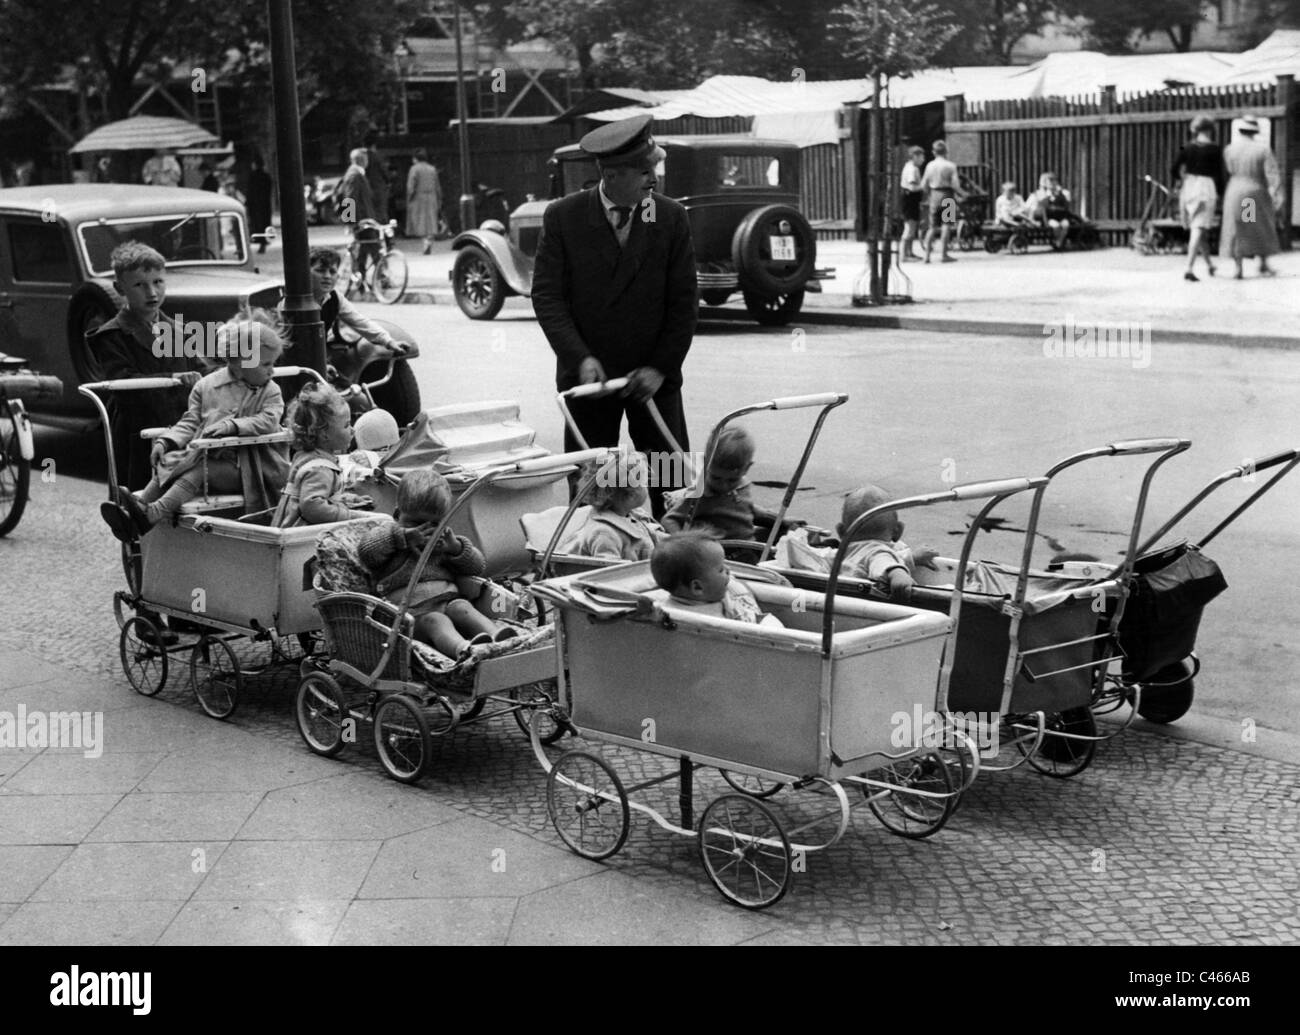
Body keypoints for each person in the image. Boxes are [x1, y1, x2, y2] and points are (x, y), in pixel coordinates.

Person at [532, 113, 698, 519]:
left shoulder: (668, 216)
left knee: (671, 482)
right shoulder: (563, 217)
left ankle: (676, 556)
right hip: (590, 386)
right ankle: (589, 562)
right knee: (592, 490)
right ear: (611, 173)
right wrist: (580, 358)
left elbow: (684, 302)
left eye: (654, 169)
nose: (653, 180)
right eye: (644, 171)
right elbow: (547, 297)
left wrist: (660, 367)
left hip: (653, 382)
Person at [101, 313, 290, 540]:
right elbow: (190, 422)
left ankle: (152, 514)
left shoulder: (270, 391)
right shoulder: (207, 386)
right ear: (240, 362)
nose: (271, 371)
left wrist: (233, 426)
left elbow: (269, 420)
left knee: (200, 469)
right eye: (266, 364)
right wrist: (167, 440)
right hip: (207, 456)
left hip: (251, 467)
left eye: (273, 364)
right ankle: (134, 513)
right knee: (171, 462)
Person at [357, 470, 517, 660]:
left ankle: (499, 637)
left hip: (448, 602)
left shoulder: (444, 540)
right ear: (397, 514)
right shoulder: (388, 533)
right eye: (415, 522)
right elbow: (367, 551)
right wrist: (402, 537)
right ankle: (464, 650)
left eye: (435, 523)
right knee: (436, 620)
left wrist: (455, 548)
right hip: (409, 617)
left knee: (462, 607)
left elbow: (477, 567)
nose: (425, 529)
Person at [88, 242, 202, 491]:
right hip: (136, 429)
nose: (152, 292)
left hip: (179, 426)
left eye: (158, 282)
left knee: (182, 494)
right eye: (140, 285)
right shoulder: (111, 335)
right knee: (138, 493)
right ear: (120, 289)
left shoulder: (180, 331)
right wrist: (173, 377)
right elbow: (122, 380)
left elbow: (201, 370)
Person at [660, 425, 787, 546]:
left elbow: (749, 510)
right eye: (715, 477)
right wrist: (685, 542)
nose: (723, 485)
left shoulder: (742, 487)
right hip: (718, 553)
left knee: (790, 536)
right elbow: (670, 520)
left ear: (747, 468)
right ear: (706, 463)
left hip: (747, 545)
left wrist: (782, 521)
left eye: (732, 480)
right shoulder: (700, 495)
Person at [272, 382, 375, 527]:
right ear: (324, 434)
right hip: (299, 538)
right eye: (346, 425)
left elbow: (321, 495)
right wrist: (348, 516)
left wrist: (347, 500)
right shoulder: (320, 468)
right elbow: (312, 507)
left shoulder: (305, 456)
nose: (352, 430)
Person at [560, 453, 666, 561]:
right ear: (631, 495)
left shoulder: (633, 514)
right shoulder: (604, 534)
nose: (647, 486)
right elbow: (608, 571)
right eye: (644, 482)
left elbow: (653, 535)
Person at [650, 532, 766, 623]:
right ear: (697, 587)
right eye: (721, 569)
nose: (728, 570)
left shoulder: (662, 611)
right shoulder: (713, 618)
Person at [1219, 114, 1281, 279]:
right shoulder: (1263, 149)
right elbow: (1272, 173)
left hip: (1234, 190)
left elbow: (1229, 169)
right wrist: (1274, 191)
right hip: (1253, 192)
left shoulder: (1230, 149)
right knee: (1254, 226)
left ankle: (1238, 267)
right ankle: (1262, 263)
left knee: (1236, 228)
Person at [306, 247, 401, 353]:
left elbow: (359, 321)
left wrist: (389, 341)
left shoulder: (334, 297)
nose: (327, 276)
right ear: (306, 273)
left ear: (338, 276)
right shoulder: (293, 301)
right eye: (320, 271)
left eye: (332, 272)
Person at [1172, 116, 1226, 281]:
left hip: (1189, 186)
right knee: (1198, 228)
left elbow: (1174, 168)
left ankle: (1210, 264)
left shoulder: (1186, 147)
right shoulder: (1216, 149)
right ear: (1210, 130)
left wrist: (1181, 180)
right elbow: (1219, 174)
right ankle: (1189, 267)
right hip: (1205, 187)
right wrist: (1221, 192)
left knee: (1199, 226)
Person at [338, 148, 378, 293]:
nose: (367, 161)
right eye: (365, 158)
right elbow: (349, 198)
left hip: (365, 219)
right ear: (361, 160)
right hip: (362, 221)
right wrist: (350, 222)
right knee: (374, 248)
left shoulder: (357, 174)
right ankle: (379, 278)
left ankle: (362, 281)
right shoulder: (354, 175)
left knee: (364, 251)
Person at [921, 140, 961, 263]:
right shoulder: (951, 166)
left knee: (932, 227)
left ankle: (926, 256)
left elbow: (923, 184)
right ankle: (943, 254)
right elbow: (955, 184)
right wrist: (962, 193)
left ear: (934, 152)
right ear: (946, 152)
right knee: (946, 226)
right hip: (947, 195)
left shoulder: (929, 166)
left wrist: (927, 195)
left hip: (934, 195)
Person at [406, 148, 441, 254]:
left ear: (416, 158)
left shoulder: (414, 169)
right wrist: (439, 198)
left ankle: (425, 241)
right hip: (431, 196)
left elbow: (411, 186)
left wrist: (409, 197)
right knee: (430, 221)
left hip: (418, 197)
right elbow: (437, 185)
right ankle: (429, 239)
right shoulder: (432, 169)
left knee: (420, 221)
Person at [898, 145, 926, 261]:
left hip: (912, 199)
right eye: (920, 157)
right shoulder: (912, 169)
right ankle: (904, 255)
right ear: (914, 156)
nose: (923, 159)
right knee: (909, 228)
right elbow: (912, 187)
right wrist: (924, 186)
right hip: (910, 199)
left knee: (912, 227)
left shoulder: (912, 167)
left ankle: (910, 253)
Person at [1029, 172, 1072, 248]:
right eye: (1050, 182)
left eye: (1054, 182)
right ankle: (1057, 241)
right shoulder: (1044, 194)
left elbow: (1065, 205)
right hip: (1050, 217)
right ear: (1046, 184)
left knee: (1066, 224)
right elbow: (1043, 207)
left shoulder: (1061, 193)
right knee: (1056, 226)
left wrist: (1059, 195)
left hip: (1060, 216)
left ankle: (1060, 240)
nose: (1052, 184)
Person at [246, 155, 274, 254]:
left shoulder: (253, 176)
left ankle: (258, 242)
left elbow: (250, 191)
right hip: (265, 205)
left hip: (255, 205)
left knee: (256, 224)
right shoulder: (266, 176)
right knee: (264, 224)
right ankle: (263, 243)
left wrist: (248, 203)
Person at [364, 137, 391, 226]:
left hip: (366, 188)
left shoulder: (362, 157)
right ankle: (383, 232)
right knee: (381, 211)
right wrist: (388, 181)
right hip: (378, 188)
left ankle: (373, 231)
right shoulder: (378, 157)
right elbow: (384, 171)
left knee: (370, 211)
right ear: (373, 146)